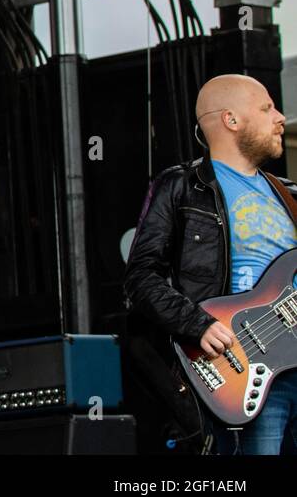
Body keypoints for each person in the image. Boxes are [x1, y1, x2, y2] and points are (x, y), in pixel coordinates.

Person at [124, 73, 297, 454]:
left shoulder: (289, 195)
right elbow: (140, 276)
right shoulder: (182, 186)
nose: (280, 117)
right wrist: (197, 323)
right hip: (244, 368)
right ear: (231, 120)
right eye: (267, 108)